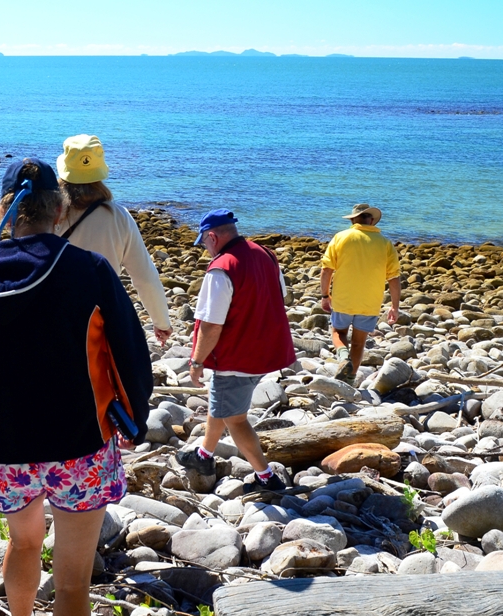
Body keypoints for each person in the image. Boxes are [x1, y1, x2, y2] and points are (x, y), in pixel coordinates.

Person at [0, 159, 152, 616]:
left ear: (4, 211)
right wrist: (135, 417)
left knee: (25, 543)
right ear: (60, 210)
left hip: (6, 450)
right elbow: (129, 352)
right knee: (73, 584)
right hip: (81, 446)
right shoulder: (89, 270)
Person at [175, 210, 296, 493]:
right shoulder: (265, 254)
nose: (205, 249)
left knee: (236, 419)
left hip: (237, 355)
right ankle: (203, 456)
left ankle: (266, 479)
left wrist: (197, 360)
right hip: (266, 349)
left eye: (204, 243)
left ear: (213, 236)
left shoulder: (221, 268)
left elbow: (211, 325)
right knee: (223, 402)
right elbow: (280, 295)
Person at [54, 134, 173, 345]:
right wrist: (161, 321)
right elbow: (145, 277)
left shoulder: (51, 215)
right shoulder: (118, 217)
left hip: (56, 316)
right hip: (100, 320)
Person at [319, 203, 401, 384]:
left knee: (338, 333)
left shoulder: (341, 237)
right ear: (371, 221)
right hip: (369, 302)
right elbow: (394, 278)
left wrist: (325, 296)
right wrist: (395, 306)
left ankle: (342, 357)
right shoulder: (385, 243)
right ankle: (349, 381)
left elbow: (326, 270)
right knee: (358, 343)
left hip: (343, 298)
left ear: (353, 220)